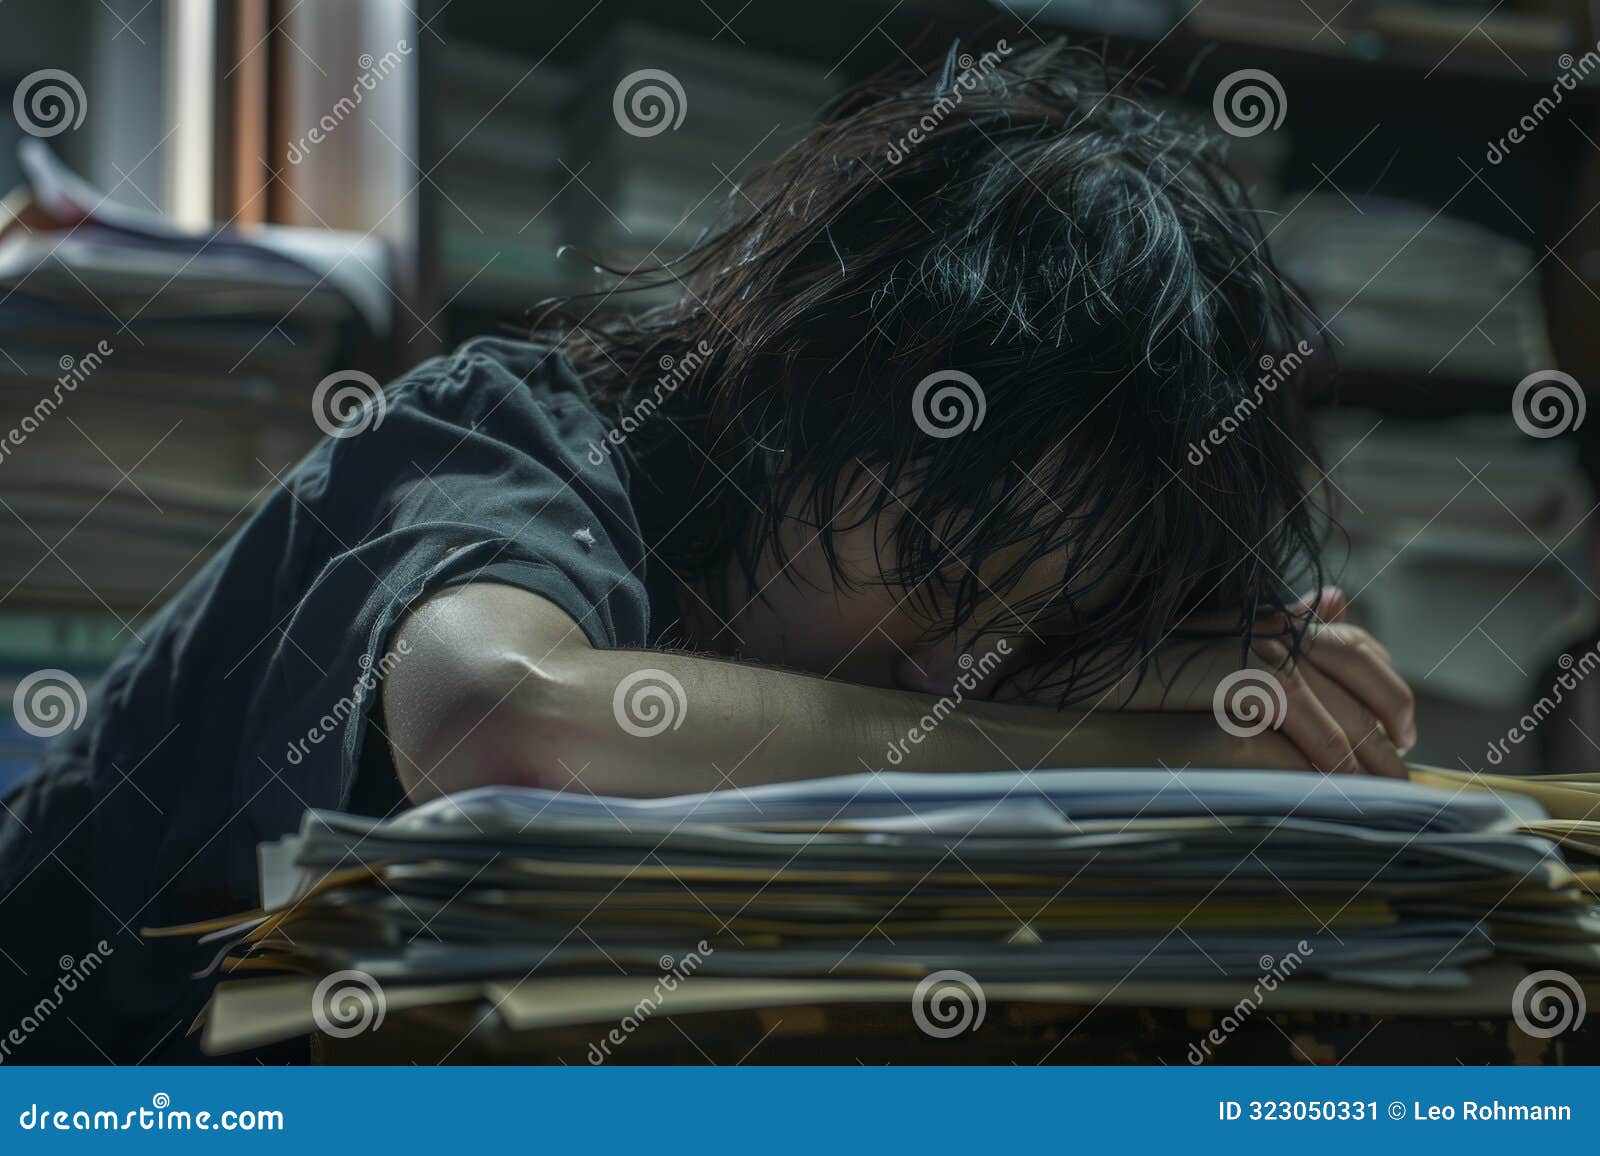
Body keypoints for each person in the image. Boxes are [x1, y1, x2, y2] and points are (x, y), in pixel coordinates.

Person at [0, 41, 1414, 1062]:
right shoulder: (513, 434)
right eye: (939, 575)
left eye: (1037, 637)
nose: (955, 664)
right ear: (827, 384)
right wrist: (1106, 745)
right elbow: (505, 721)